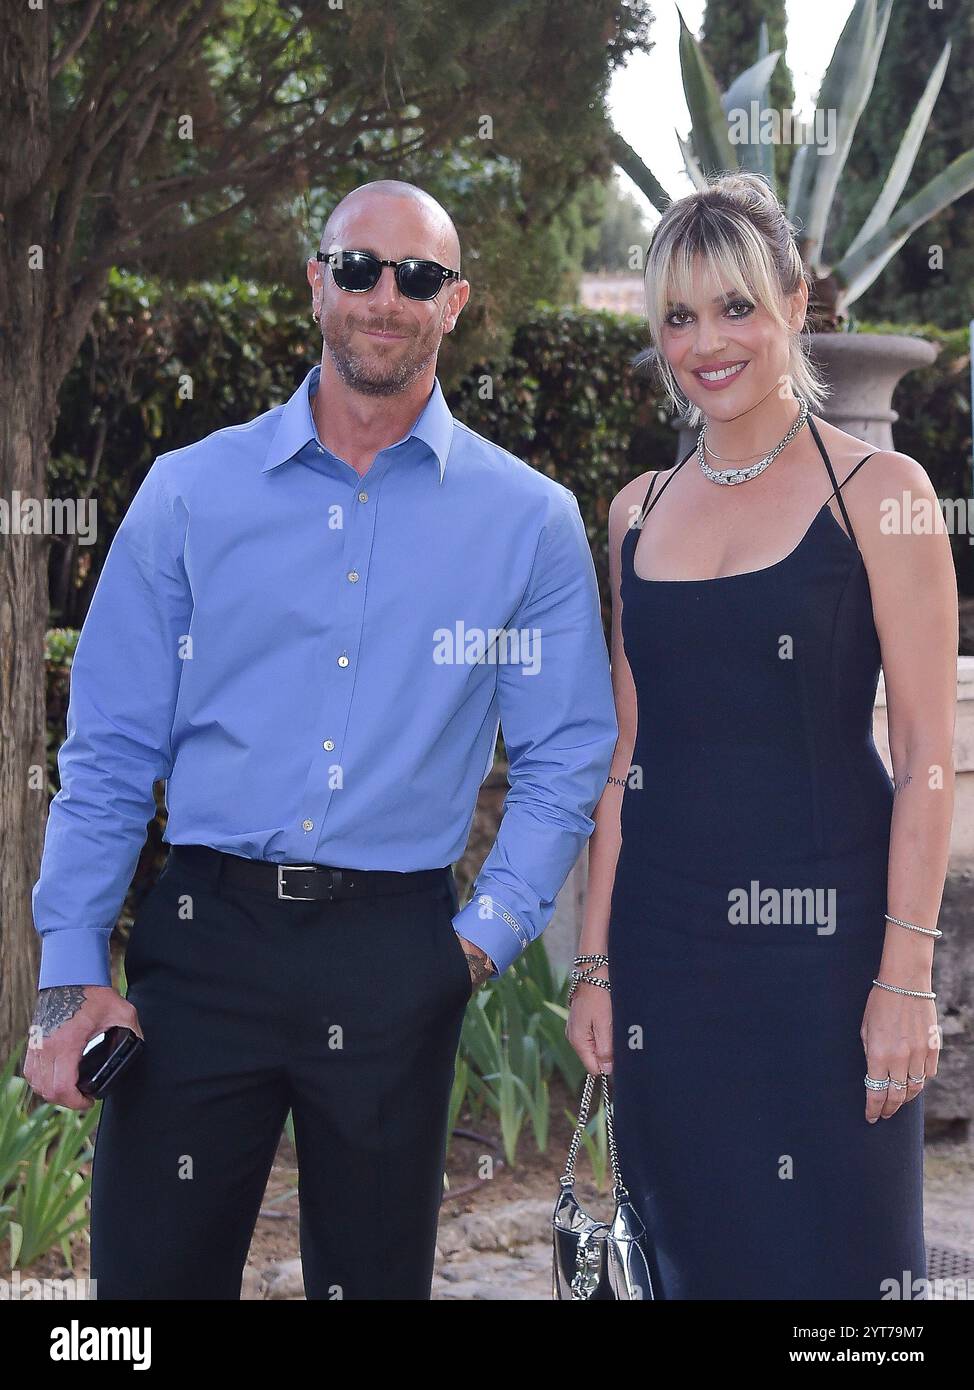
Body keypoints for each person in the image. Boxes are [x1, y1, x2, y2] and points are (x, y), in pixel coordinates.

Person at [25, 180, 618, 1300]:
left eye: (417, 277)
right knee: (145, 1297)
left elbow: (562, 756)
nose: (383, 298)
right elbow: (106, 752)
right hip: (204, 939)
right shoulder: (188, 494)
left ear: (455, 304)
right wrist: (68, 978)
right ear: (316, 284)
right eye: (357, 269)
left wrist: (474, 944)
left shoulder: (528, 519)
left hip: (396, 952)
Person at [567, 171, 957, 1300]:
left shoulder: (882, 491)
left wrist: (901, 975)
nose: (705, 341)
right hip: (667, 960)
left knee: (838, 1278)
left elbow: (928, 747)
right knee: (686, 1262)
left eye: (734, 306)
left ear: (793, 302)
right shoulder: (635, 509)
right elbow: (624, 756)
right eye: (677, 316)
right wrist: (593, 963)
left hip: (827, 962)